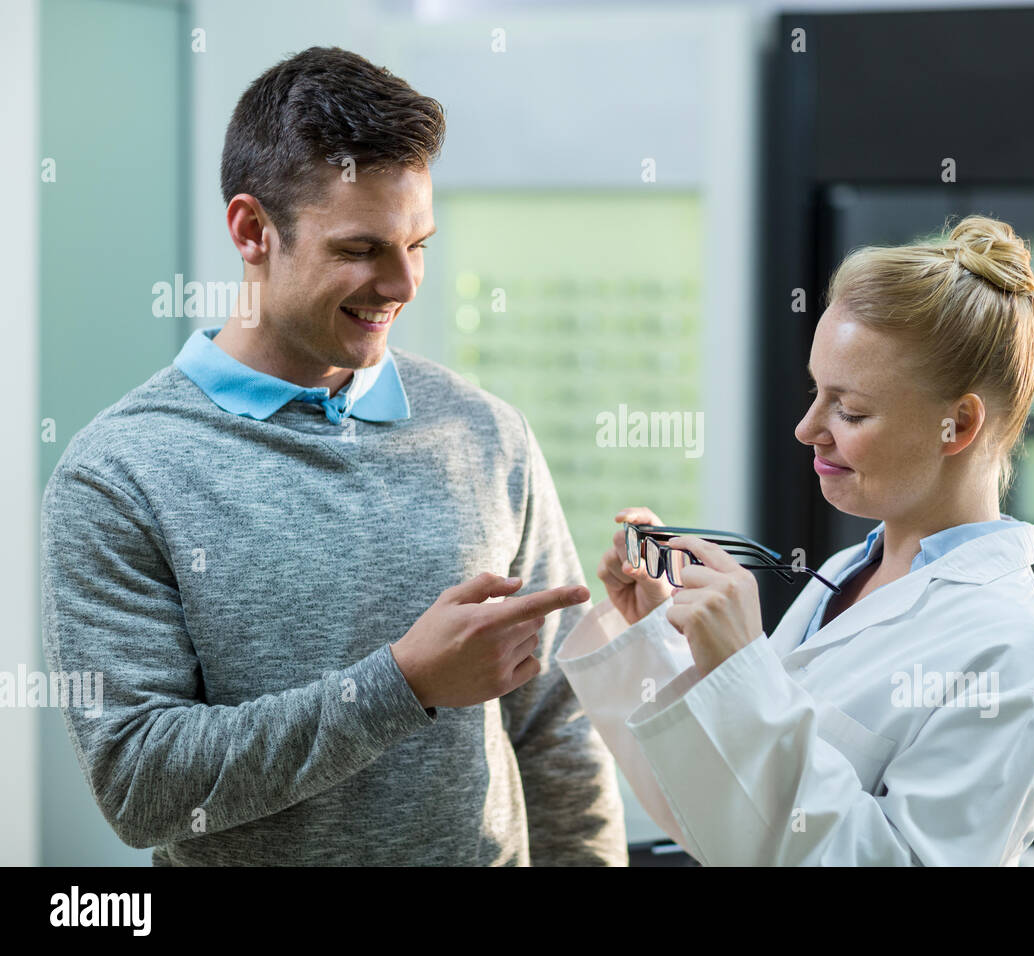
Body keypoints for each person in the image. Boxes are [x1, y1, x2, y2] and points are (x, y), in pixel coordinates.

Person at [40, 46, 626, 866]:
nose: (402, 284)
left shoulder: (486, 433)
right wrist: (403, 686)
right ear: (252, 230)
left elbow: (555, 724)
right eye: (361, 249)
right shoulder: (120, 474)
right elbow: (141, 788)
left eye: (417, 243)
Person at [558, 215, 1034, 866]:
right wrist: (663, 640)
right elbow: (732, 820)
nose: (808, 429)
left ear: (959, 423)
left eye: (850, 410)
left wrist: (741, 673)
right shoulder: (844, 575)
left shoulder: (1013, 656)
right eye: (815, 392)